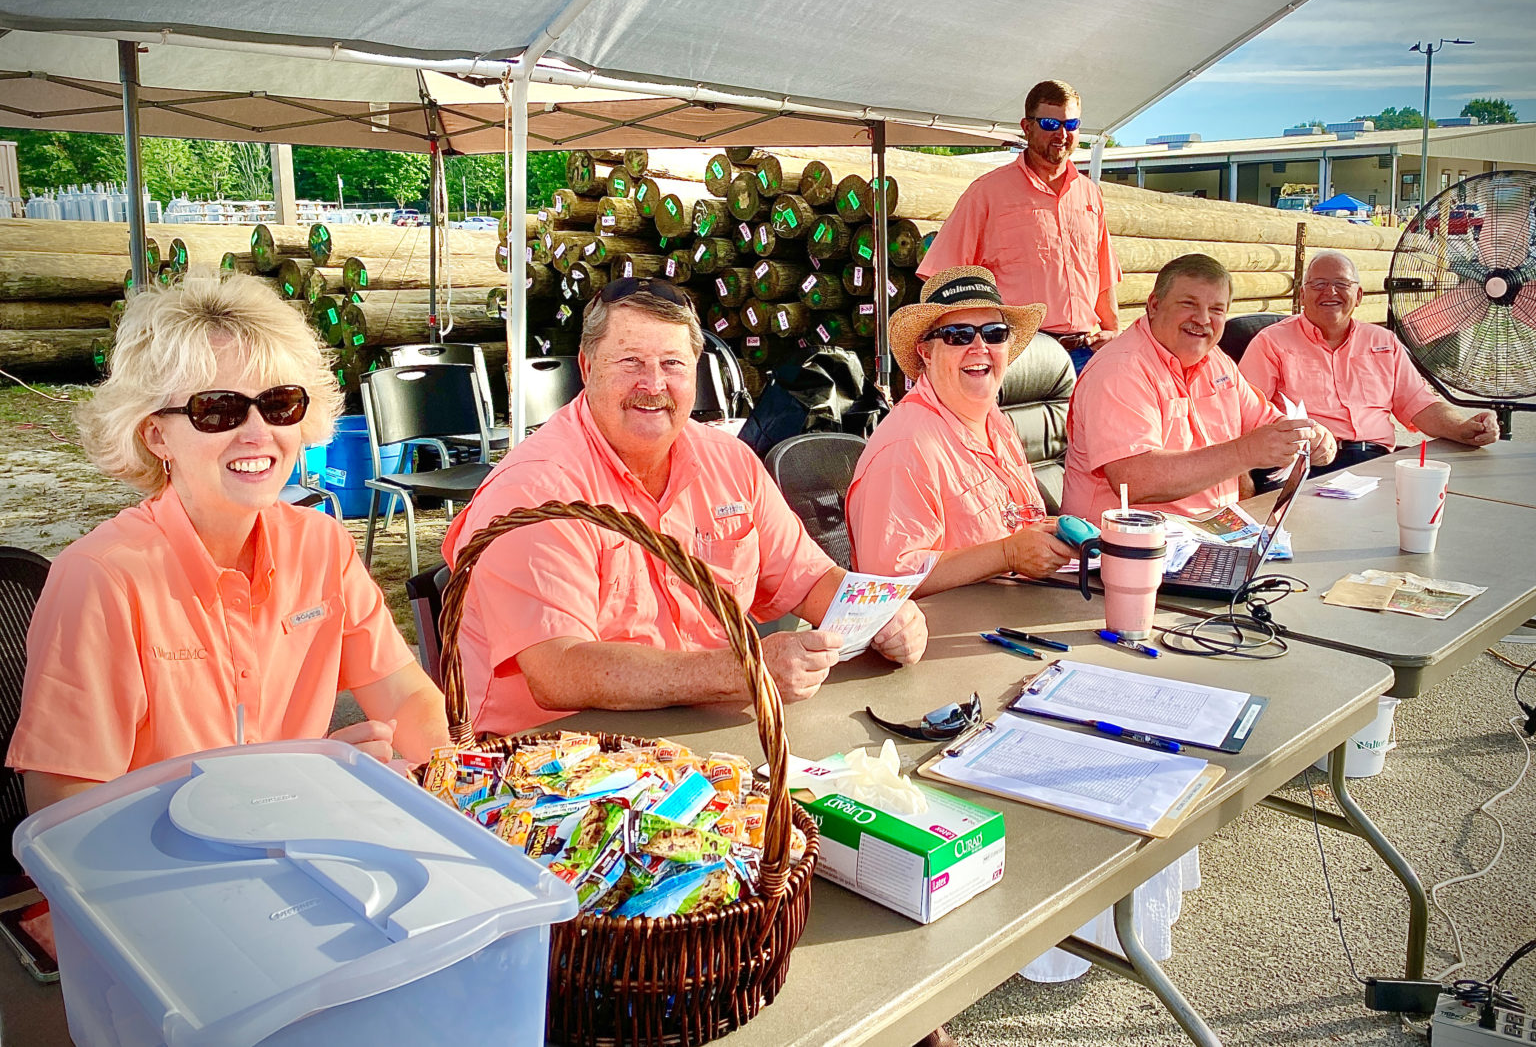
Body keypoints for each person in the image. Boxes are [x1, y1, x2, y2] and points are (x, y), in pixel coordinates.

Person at [8, 269, 448, 812]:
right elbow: (62, 812)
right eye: (218, 410)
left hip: (302, 841)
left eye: (279, 403)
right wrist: (297, 786)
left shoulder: (321, 545)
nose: (258, 432)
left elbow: (404, 695)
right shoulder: (101, 579)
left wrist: (458, 787)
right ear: (156, 434)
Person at [441, 277, 927, 737]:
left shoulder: (728, 460)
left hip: (696, 736)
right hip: (549, 759)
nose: (653, 384)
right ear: (587, 369)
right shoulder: (535, 490)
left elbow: (810, 580)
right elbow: (560, 672)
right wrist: (740, 671)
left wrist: (880, 613)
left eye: (672, 364)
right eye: (630, 362)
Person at [845, 266, 1072, 593]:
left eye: (994, 333)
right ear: (926, 352)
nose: (979, 347)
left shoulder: (993, 419)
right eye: (958, 335)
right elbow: (887, 581)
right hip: (950, 621)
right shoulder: (905, 447)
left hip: (1018, 602)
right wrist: (1007, 554)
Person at [1061, 253, 1337, 521]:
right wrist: (1245, 453)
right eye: (1188, 304)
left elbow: (1266, 421)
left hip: (1211, 532)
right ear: (1154, 305)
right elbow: (1134, 481)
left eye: (1216, 309)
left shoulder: (1216, 360)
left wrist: (1308, 436)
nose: (1203, 319)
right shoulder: (1120, 368)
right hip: (1121, 543)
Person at [918, 79, 1123, 372]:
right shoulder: (987, 192)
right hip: (1021, 354)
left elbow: (1103, 272)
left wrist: (1114, 333)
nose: (1062, 134)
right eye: (1050, 124)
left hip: (1087, 352)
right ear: (1027, 127)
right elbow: (942, 278)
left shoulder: (1089, 194)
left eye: (1072, 124)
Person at [1239, 250, 1498, 471]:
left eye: (1342, 284)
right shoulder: (1271, 342)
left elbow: (1419, 404)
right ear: (1302, 295)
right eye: (1318, 284)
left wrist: (1463, 427)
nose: (1330, 291)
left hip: (1375, 461)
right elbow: (1244, 414)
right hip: (1306, 463)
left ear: (1359, 296)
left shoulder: (1384, 342)